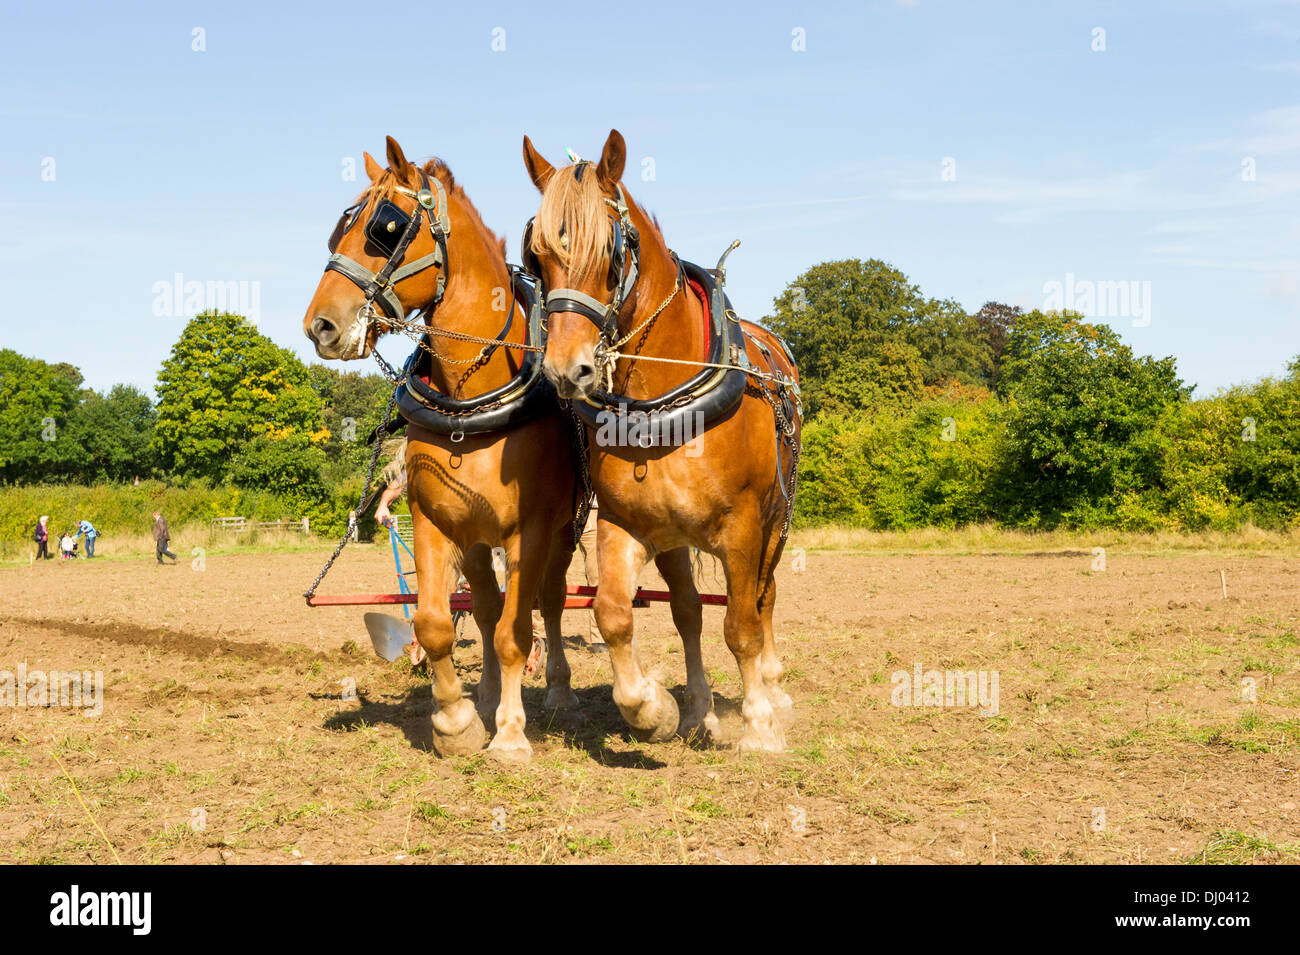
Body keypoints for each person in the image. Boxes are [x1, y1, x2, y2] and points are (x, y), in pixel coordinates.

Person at [576, 500, 603, 645]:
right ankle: (541, 635)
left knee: (597, 576)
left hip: (592, 509)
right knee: (547, 574)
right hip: (559, 506)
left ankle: (599, 636)